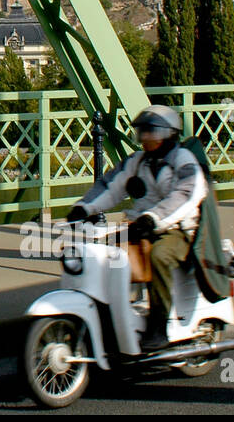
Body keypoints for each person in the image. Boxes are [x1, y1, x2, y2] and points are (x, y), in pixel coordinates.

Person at [66, 104, 207, 351]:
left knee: (158, 256)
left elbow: (186, 194)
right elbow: (111, 185)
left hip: (177, 230)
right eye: (141, 132)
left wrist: (153, 218)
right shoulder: (137, 161)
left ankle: (158, 325)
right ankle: (108, 316)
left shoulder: (183, 160)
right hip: (141, 225)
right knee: (102, 254)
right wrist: (84, 207)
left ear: (168, 133)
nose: (144, 138)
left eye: (150, 132)